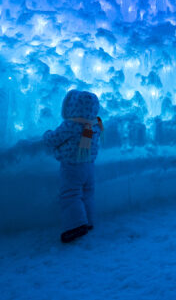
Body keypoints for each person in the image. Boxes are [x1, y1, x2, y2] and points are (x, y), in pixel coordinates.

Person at [43, 90, 104, 243]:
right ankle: (89, 222)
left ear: (71, 107)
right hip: (89, 166)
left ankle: (75, 225)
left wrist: (46, 134)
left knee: (71, 195)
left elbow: (53, 140)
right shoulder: (95, 125)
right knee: (87, 194)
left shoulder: (70, 125)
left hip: (72, 167)